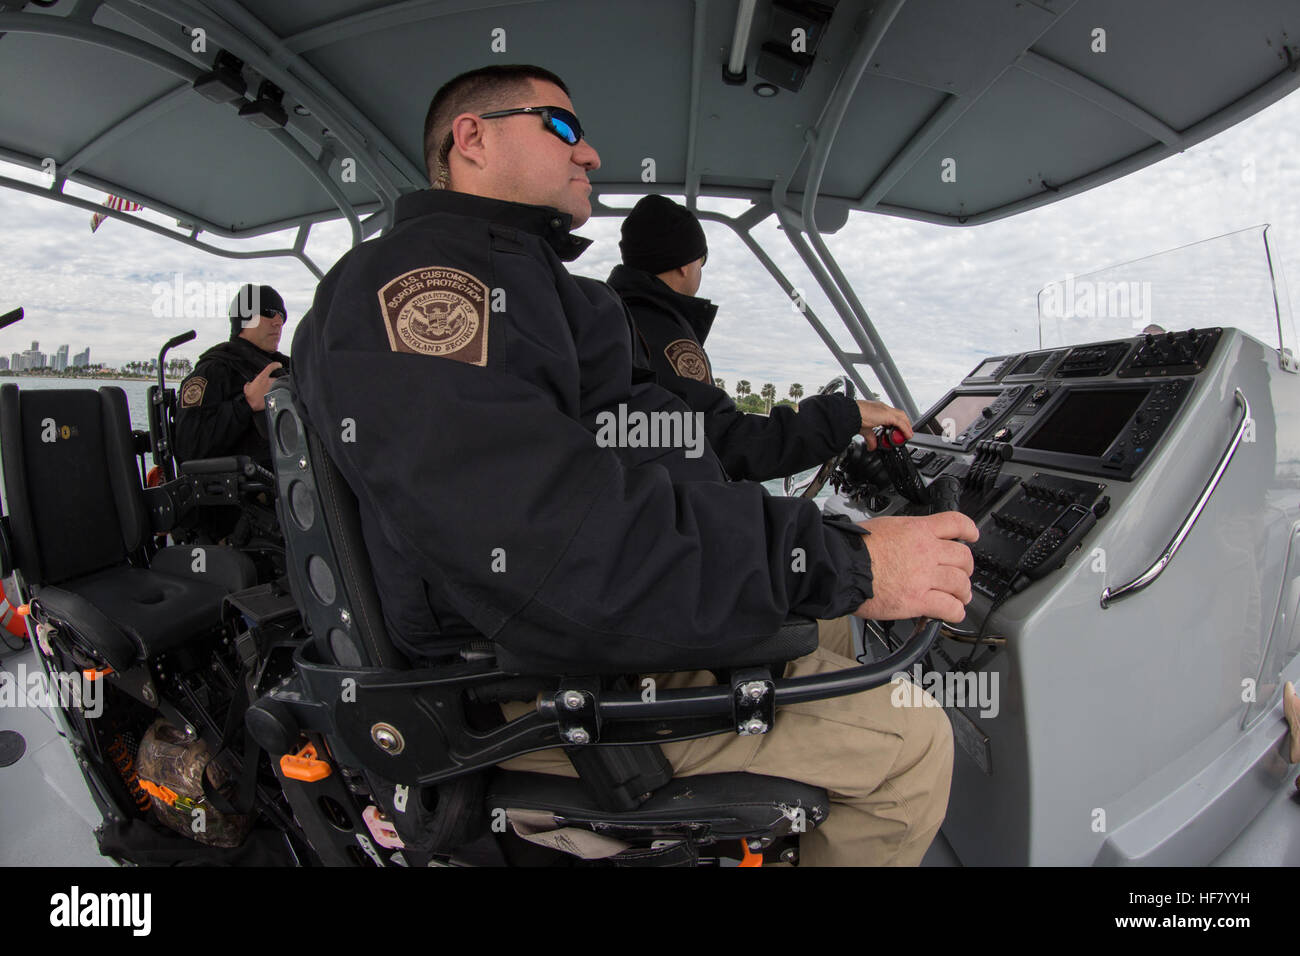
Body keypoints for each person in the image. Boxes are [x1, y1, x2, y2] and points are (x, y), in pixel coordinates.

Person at [290, 63, 979, 866]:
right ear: (471, 139)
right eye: (565, 127)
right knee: (912, 742)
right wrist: (842, 556)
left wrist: (810, 554)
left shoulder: (521, 278)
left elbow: (647, 456)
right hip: (521, 682)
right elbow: (541, 536)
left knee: (823, 621)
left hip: (557, 630)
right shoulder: (432, 283)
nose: (591, 153)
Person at [610, 194, 909, 481]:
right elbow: (721, 442)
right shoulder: (662, 335)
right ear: (684, 264)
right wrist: (843, 417)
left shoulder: (621, 320)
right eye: (703, 259)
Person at [174, 284, 289, 544]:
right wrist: (246, 404)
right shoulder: (214, 370)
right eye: (270, 312)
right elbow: (190, 444)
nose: (279, 321)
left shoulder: (286, 369)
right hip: (245, 508)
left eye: (283, 316)